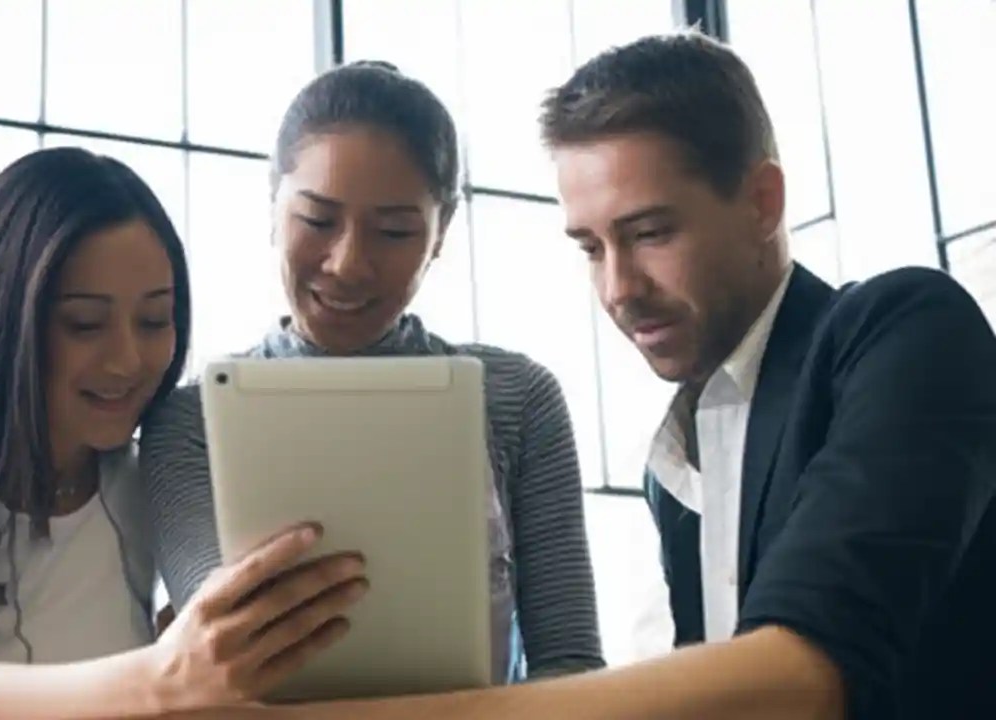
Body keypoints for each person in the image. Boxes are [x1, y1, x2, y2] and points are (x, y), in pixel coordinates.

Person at [161, 32, 996, 720]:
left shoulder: (906, 330)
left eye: (650, 233)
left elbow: (799, 678)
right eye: (591, 247)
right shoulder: (680, 461)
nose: (618, 289)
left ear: (763, 203)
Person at [0, 147, 370, 720]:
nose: (128, 360)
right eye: (84, 323)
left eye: (155, 320)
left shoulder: (142, 482)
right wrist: (166, 676)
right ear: (4, 319)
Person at [142, 60, 604, 683]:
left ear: (442, 232)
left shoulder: (518, 397)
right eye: (316, 220)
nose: (348, 263)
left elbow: (569, 666)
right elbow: (221, 662)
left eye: (393, 231)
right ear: (272, 205)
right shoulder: (192, 421)